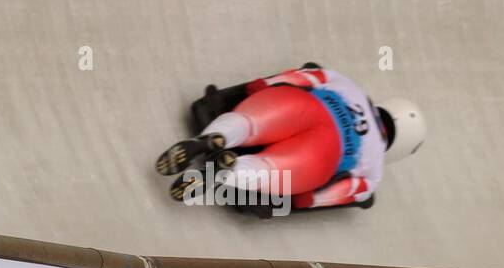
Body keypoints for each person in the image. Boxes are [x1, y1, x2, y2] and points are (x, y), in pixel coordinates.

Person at [155, 63, 426, 212]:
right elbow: (315, 199)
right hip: (323, 153)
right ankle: (227, 172)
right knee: (272, 170)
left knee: (250, 123)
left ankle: (217, 136)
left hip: (304, 106)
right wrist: (298, 200)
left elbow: (273, 82)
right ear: (399, 147)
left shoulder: (346, 82)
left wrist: (254, 91)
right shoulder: (374, 172)